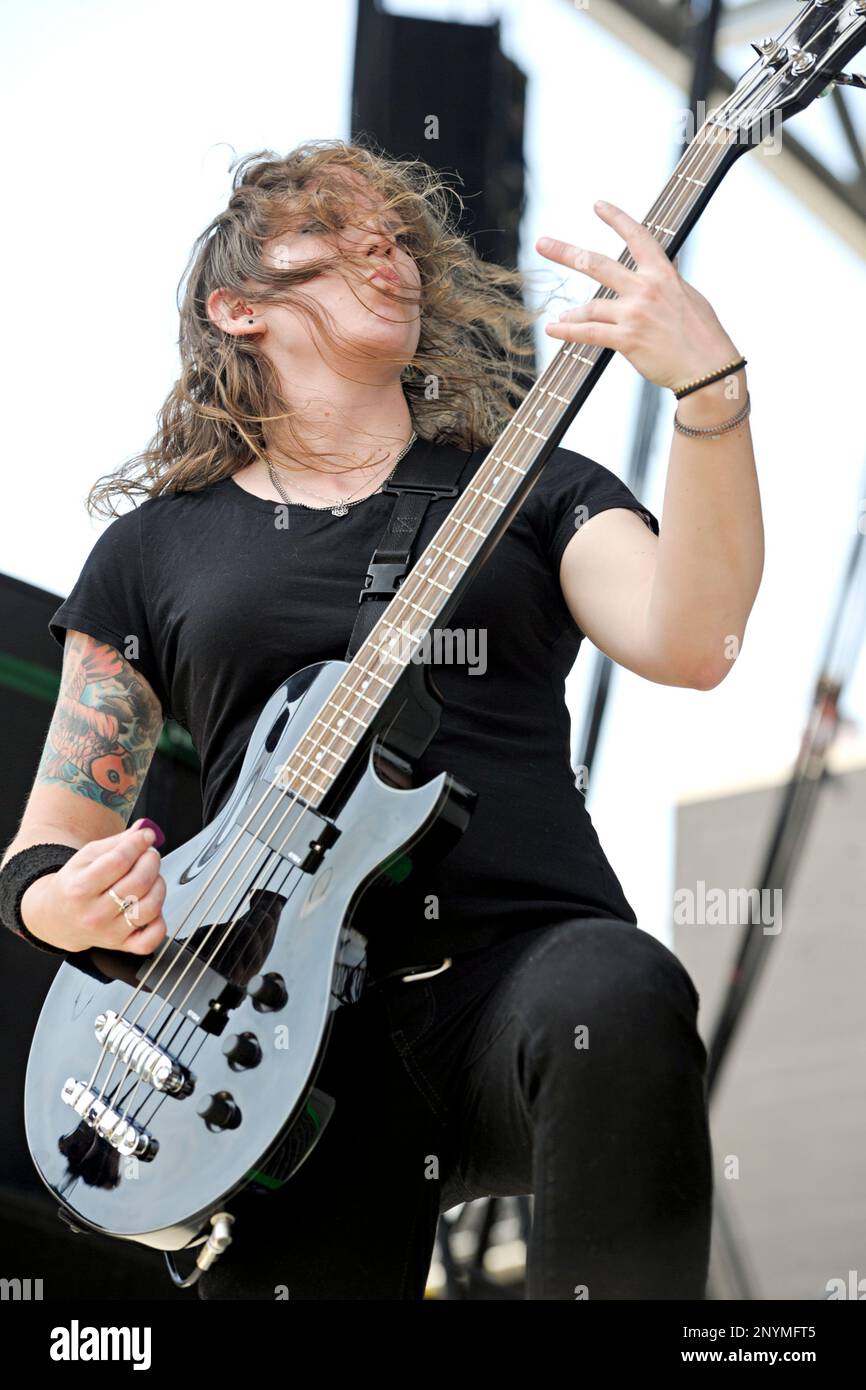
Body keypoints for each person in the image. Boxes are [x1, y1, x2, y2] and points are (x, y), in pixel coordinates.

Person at [0, 138, 763, 1299]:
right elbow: (51, 834)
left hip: (516, 975)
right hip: (258, 1028)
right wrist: (60, 901)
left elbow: (691, 640)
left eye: (399, 236)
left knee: (615, 988)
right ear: (238, 306)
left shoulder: (533, 485)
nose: (386, 250)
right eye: (340, 235)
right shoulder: (151, 547)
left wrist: (712, 396)